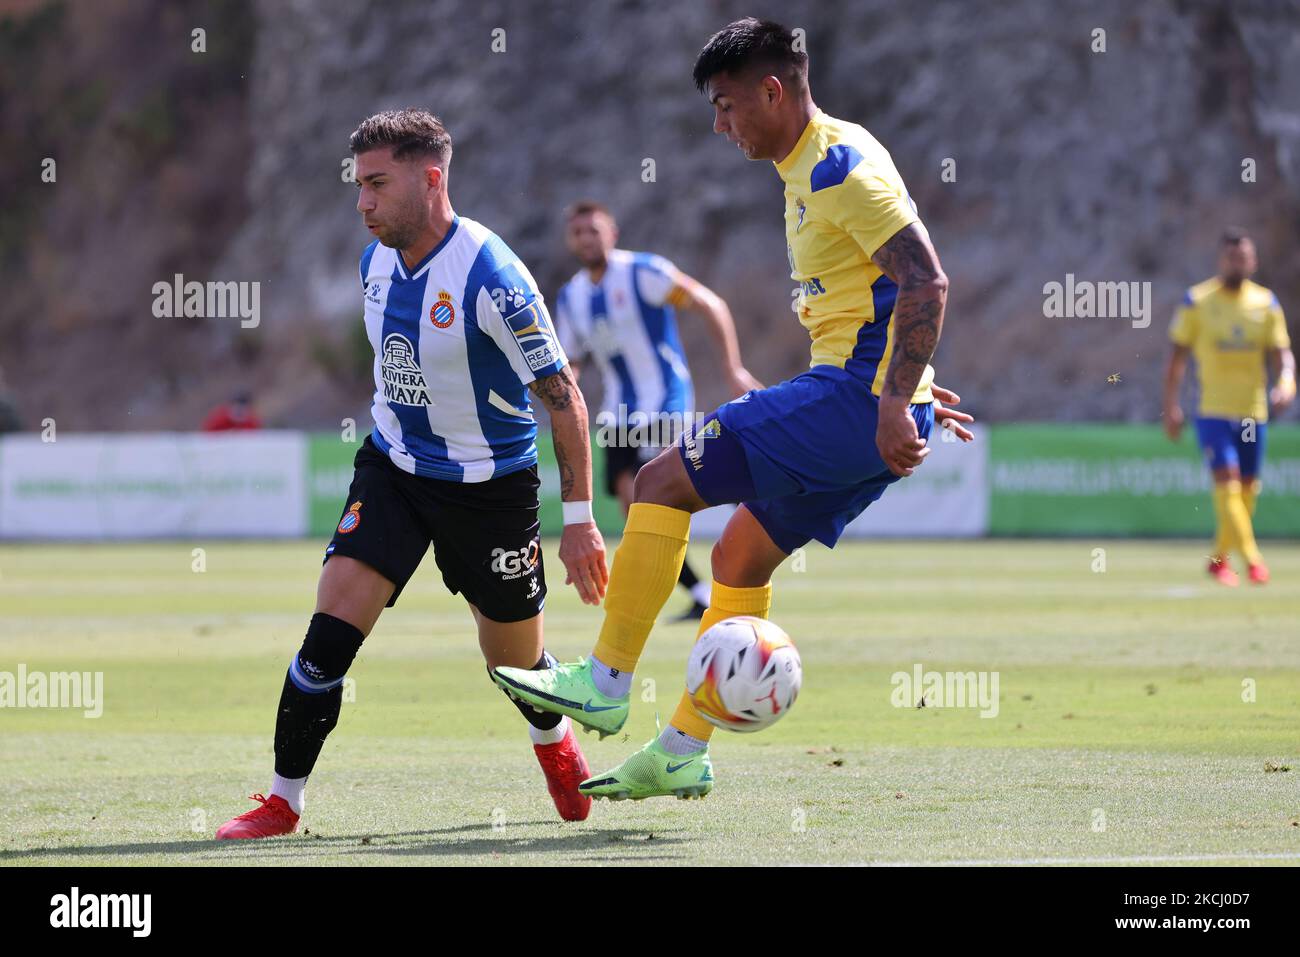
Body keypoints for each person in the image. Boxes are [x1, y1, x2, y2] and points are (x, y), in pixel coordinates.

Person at [494, 19, 974, 801]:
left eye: (726, 106)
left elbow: (927, 282)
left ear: (773, 91)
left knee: (657, 482)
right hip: (873, 398)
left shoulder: (838, 169)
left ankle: (606, 682)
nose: (719, 126)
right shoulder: (812, 163)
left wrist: (893, 394)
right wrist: (913, 388)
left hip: (855, 396)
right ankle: (683, 746)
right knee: (739, 559)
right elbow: (886, 290)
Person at [215, 109, 608, 838]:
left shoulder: (494, 276)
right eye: (357, 186)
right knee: (329, 629)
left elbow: (564, 399)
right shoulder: (374, 262)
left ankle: (554, 742)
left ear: (431, 180)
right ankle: (282, 800)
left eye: (376, 185)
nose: (361, 202)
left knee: (513, 664)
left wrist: (580, 521)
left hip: (492, 488)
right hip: (394, 469)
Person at [555, 199, 762, 620]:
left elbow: (710, 303)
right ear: (570, 241)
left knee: (672, 488)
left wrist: (733, 367)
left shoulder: (642, 273)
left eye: (595, 229)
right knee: (635, 508)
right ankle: (702, 593)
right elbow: (571, 359)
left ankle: (762, 505)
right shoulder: (571, 296)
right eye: (579, 232)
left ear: (612, 233)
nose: (587, 238)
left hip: (663, 403)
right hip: (617, 415)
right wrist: (560, 387)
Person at [1163, 229, 1295, 585]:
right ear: (1220, 260)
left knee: (1247, 491)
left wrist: (1286, 383)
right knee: (1228, 481)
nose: (1236, 263)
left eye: (1243, 257)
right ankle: (1253, 560)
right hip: (1213, 411)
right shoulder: (1197, 302)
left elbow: (1283, 355)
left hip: (1253, 413)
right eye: (1230, 257)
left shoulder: (1265, 304)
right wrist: (1171, 406)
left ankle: (1218, 558)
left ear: (1253, 261)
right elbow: (1177, 359)